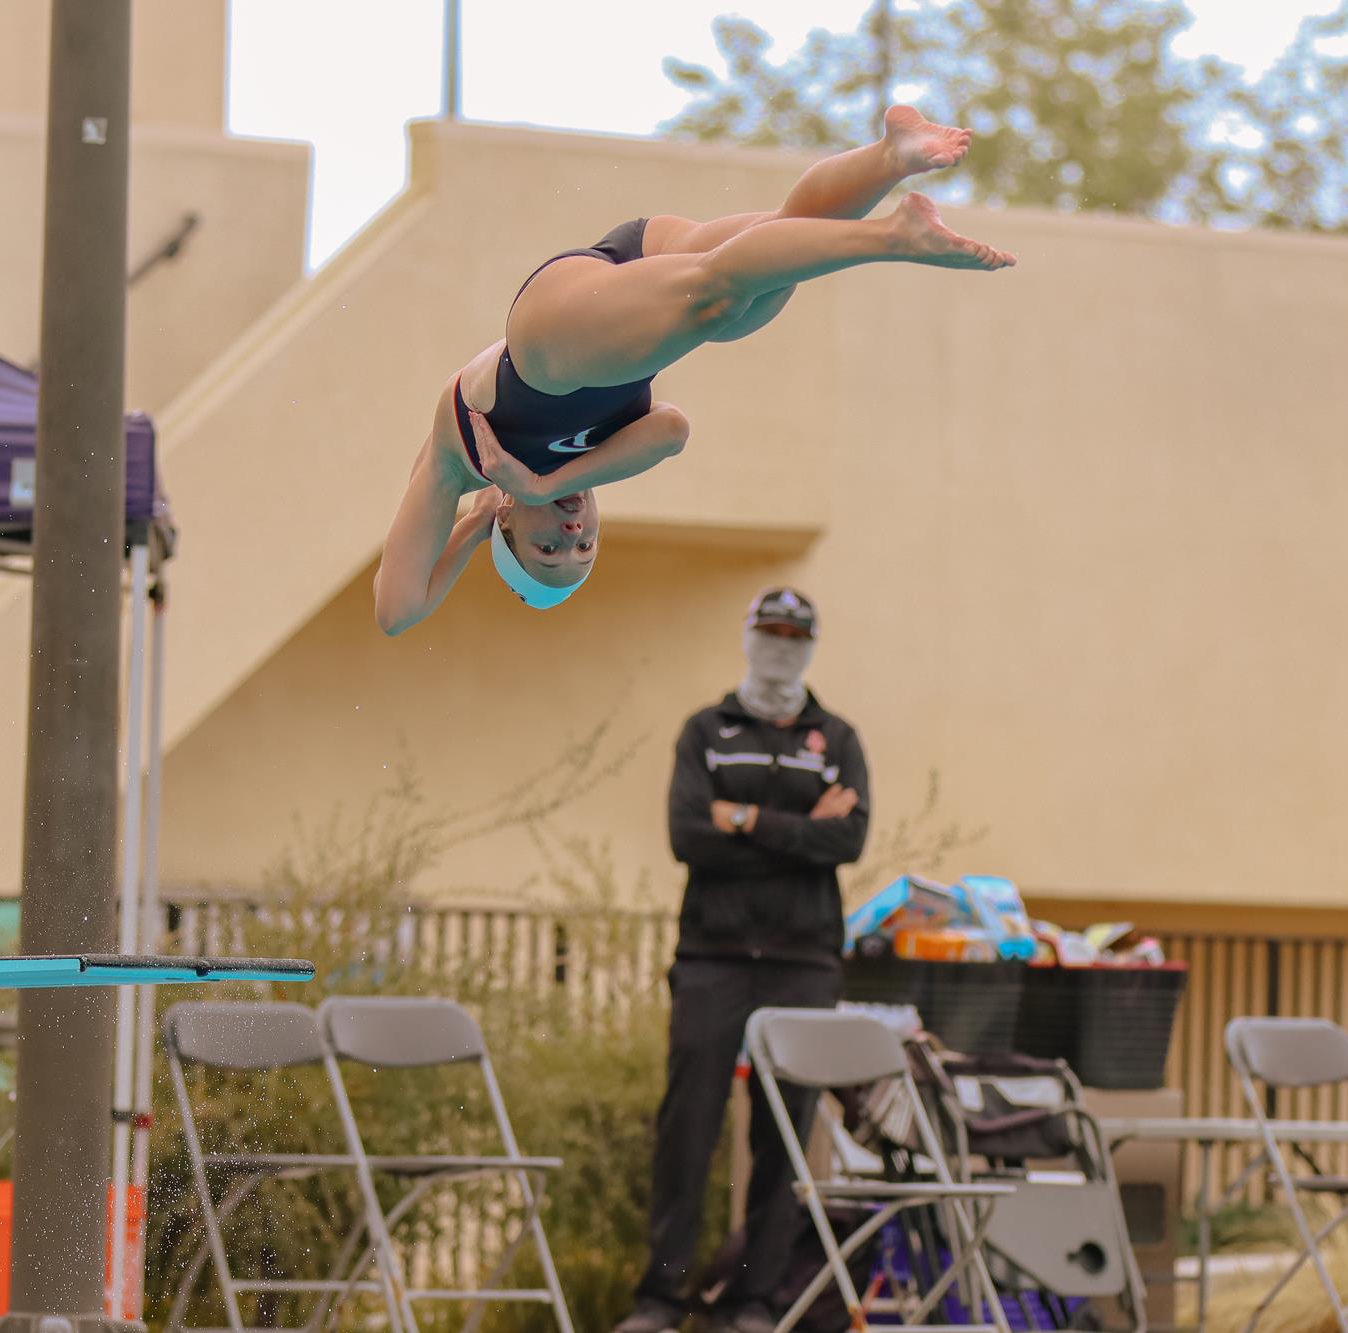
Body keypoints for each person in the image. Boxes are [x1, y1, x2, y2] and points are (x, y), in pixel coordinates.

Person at [372, 109, 1015, 634]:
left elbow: (397, 612)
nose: (573, 535)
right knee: (761, 284)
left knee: (718, 296)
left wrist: (480, 519)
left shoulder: (456, 465)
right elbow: (672, 429)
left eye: (548, 550)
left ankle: (895, 237)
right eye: (584, 549)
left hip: (549, 342)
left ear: (508, 530)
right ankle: (890, 156)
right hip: (630, 266)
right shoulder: (582, 467)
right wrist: (538, 488)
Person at [620, 587, 871, 1333]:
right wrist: (797, 829)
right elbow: (688, 837)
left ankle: (754, 1300)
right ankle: (662, 1297)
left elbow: (848, 842)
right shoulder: (706, 730)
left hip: (804, 962)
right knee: (687, 1124)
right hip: (713, 957)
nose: (782, 645)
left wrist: (745, 820)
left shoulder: (841, 737)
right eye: (772, 631)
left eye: (797, 634)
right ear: (748, 637)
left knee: (783, 1132)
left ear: (813, 644)